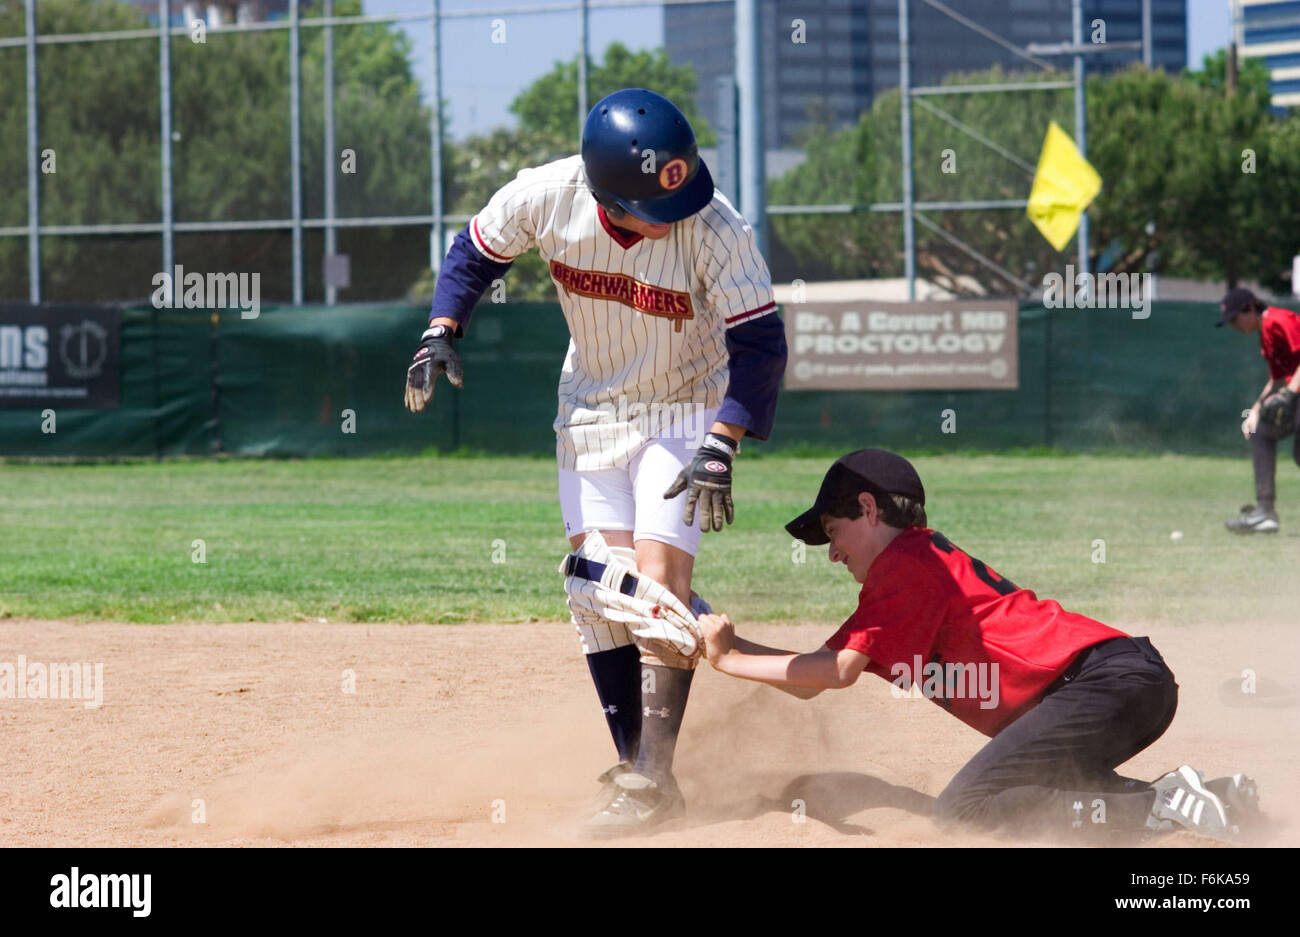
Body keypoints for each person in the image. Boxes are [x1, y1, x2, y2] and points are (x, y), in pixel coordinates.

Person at [403, 88, 786, 835]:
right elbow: (475, 251)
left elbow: (761, 344)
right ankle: (636, 766)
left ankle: (653, 779)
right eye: (654, 205)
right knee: (602, 592)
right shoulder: (546, 195)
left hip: (686, 406)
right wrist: (440, 328)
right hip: (590, 411)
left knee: (658, 579)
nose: (675, 212)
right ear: (608, 196)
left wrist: (723, 439)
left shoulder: (716, 226)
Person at [696, 449, 1258, 841]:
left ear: (868, 508)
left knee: (963, 810)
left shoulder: (905, 566)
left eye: (833, 531)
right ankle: (1207, 799)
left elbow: (839, 670)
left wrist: (728, 659)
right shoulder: (909, 573)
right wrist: (720, 642)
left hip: (1100, 684)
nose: (833, 552)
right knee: (1033, 792)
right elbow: (814, 678)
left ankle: (1160, 805)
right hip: (1116, 685)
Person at [1217, 288, 1300, 534]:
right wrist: (1255, 409)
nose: (1233, 325)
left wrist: (1288, 394)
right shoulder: (1265, 334)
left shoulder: (1279, 320)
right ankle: (1265, 511)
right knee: (1260, 430)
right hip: (1296, 393)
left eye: (1234, 318)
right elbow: (1277, 379)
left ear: (1250, 309)